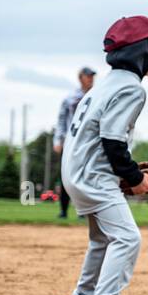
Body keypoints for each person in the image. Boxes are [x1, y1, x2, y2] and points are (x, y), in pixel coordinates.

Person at [61, 16, 148, 295]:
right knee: (128, 238)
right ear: (141, 52)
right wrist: (133, 176)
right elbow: (112, 140)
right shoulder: (131, 88)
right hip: (94, 176)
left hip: (76, 173)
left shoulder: (105, 85)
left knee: (102, 240)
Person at [52, 66, 96, 219]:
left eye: (92, 76)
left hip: (90, 142)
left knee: (86, 177)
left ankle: (83, 211)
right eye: (88, 76)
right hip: (71, 141)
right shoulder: (70, 98)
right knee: (67, 176)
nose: (91, 78)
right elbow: (61, 120)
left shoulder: (97, 95)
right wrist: (58, 140)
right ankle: (63, 210)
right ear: (80, 78)